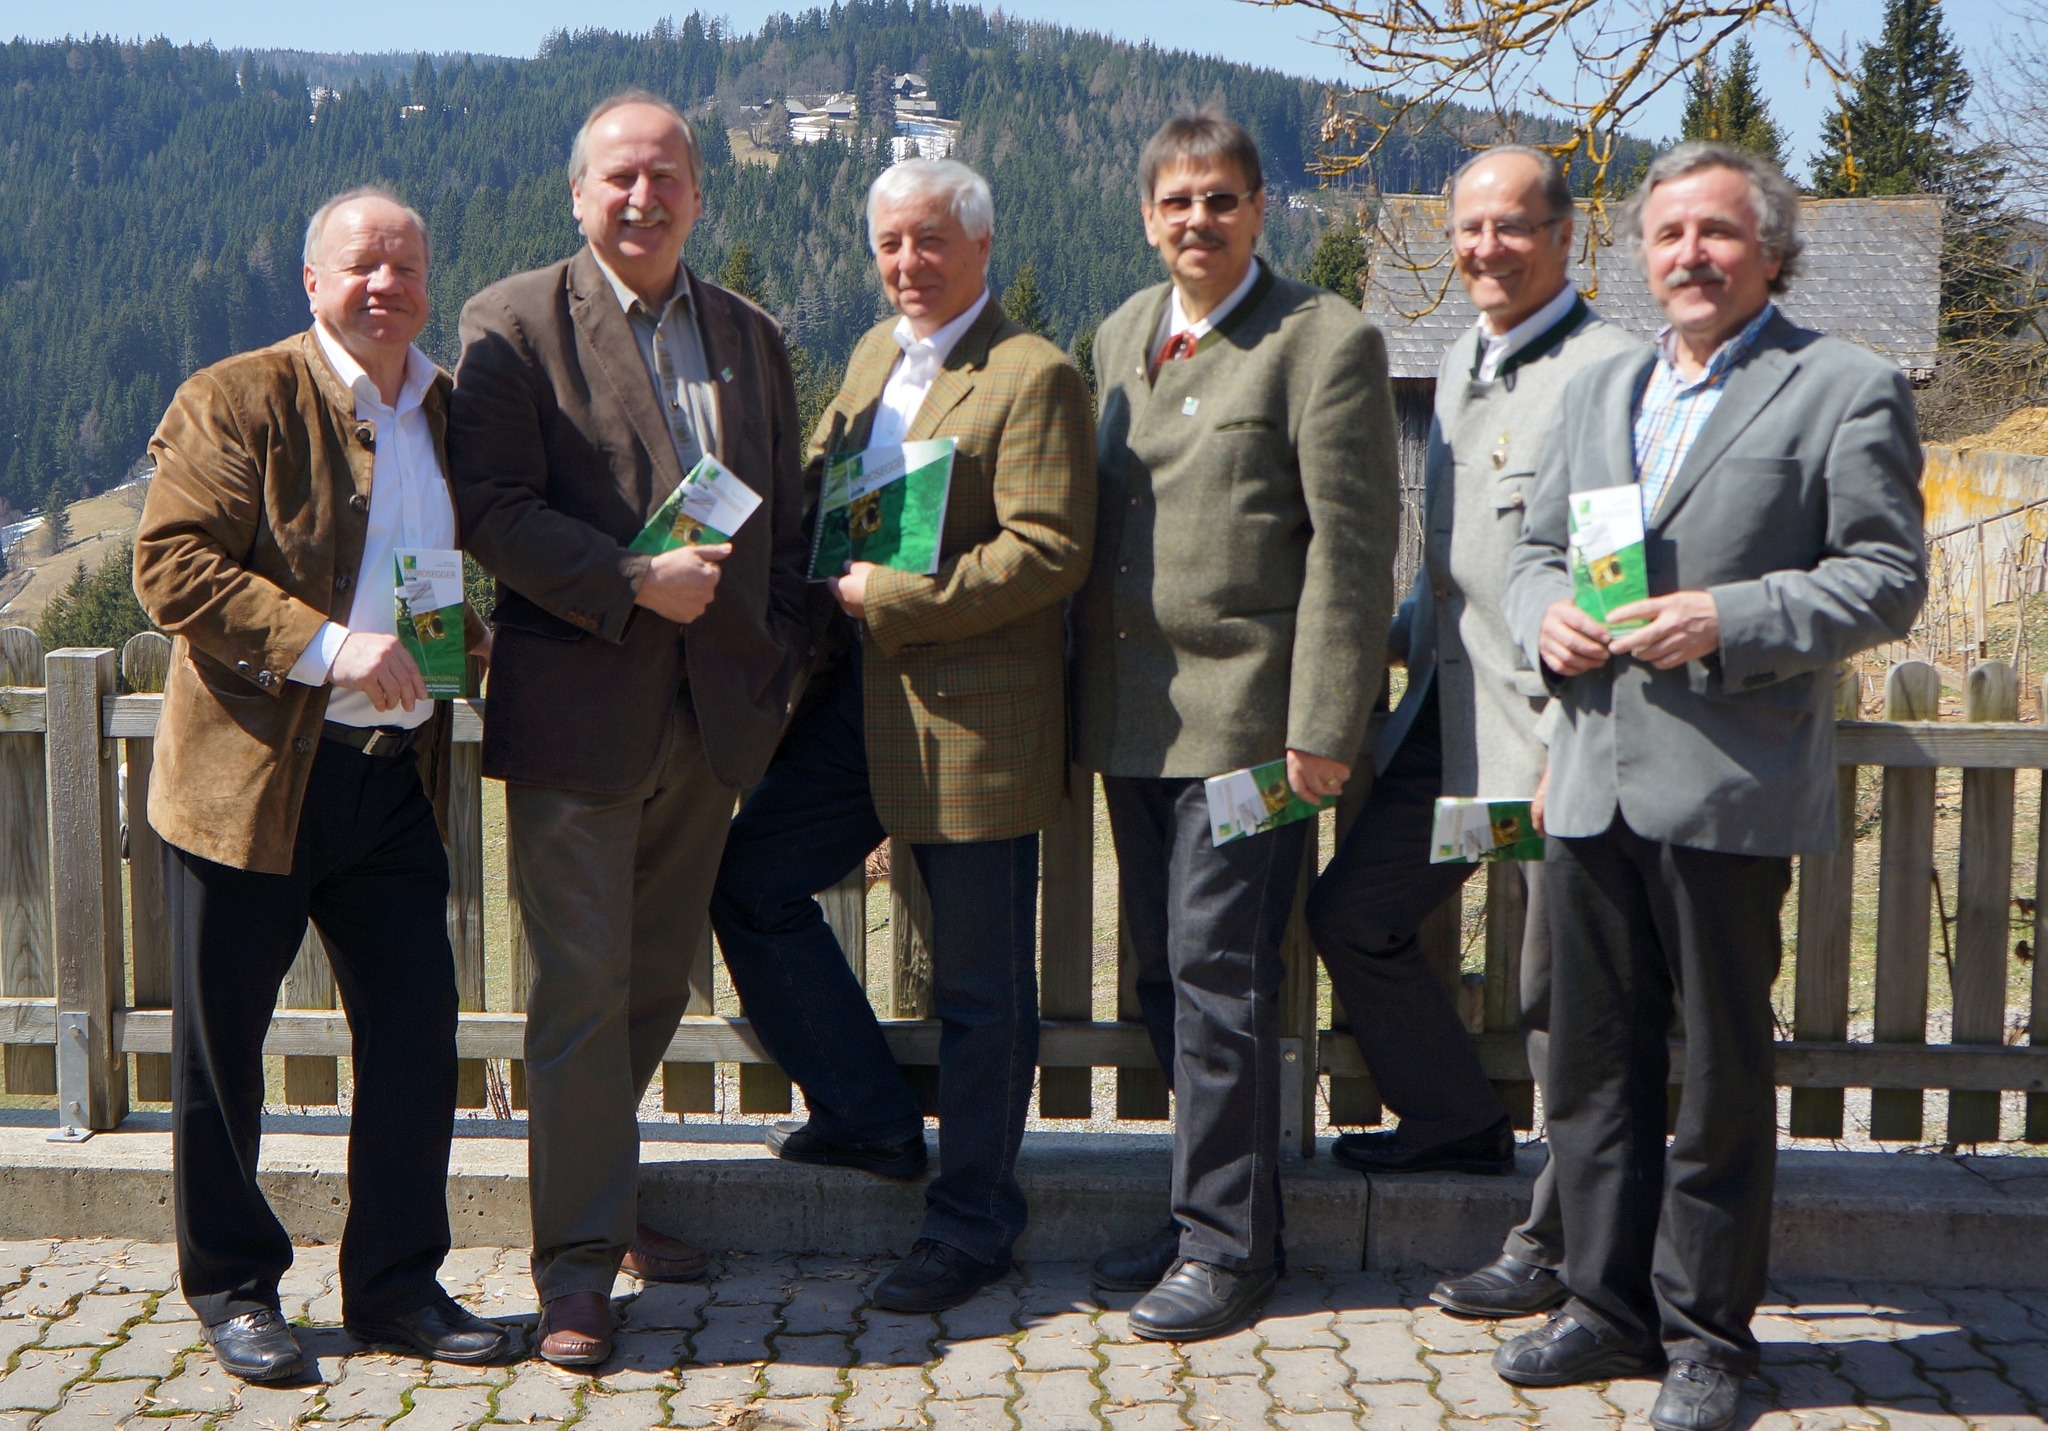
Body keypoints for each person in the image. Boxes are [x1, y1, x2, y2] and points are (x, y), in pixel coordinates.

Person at [1497, 142, 1924, 1431]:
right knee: (1587, 1067)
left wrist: (1727, 614)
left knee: (1716, 1081)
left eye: (1717, 234)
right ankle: (1602, 1307)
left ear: (1772, 255)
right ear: (1639, 257)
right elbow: (1528, 553)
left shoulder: (1839, 386)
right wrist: (1543, 621)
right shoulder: (1601, 386)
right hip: (1586, 782)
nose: (1688, 254)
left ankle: (1707, 1341)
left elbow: (1884, 576)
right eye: (1665, 234)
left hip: (1725, 789)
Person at [448, 91, 808, 1367]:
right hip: (579, 715)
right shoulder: (515, 321)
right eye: (618, 178)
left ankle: (599, 1191)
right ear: (577, 194)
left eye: (665, 177)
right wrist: (626, 579)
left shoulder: (748, 335)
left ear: (699, 194)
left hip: (709, 723)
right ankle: (576, 1270)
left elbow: (785, 514)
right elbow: (487, 509)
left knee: (654, 980)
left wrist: (772, 658)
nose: (642, 197)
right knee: (582, 992)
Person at [709, 158, 1095, 1314]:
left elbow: (1048, 549)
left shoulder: (1034, 376)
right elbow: (828, 485)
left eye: (929, 242)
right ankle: (870, 1119)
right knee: (750, 885)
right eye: (888, 244)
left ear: (979, 245)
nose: (906, 265)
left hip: (971, 719)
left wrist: (900, 598)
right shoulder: (877, 355)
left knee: (981, 990)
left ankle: (973, 1225)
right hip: (856, 705)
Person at [134, 187, 507, 1382]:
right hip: (249, 780)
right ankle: (235, 1290)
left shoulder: (445, 410)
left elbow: (421, 566)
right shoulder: (236, 397)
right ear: (313, 282)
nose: (383, 284)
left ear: (427, 284)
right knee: (221, 1053)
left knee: (411, 1037)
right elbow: (170, 566)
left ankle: (396, 1287)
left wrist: (454, 650)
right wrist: (330, 645)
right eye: (360, 266)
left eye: (404, 265)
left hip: (390, 781)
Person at [1071, 112, 1400, 1342]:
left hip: (1255, 731)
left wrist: (1322, 726)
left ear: (1260, 208)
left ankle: (1227, 1252)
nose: (1196, 221)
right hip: (1135, 725)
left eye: (1220, 200)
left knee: (1222, 977)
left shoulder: (1321, 340)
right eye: (1175, 203)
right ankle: (1205, 1211)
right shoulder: (1115, 336)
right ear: (1147, 216)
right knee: (1167, 975)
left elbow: (1354, 553)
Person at [1302, 146, 1640, 1320]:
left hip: (1554, 745)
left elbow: (1608, 576)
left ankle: (1557, 1244)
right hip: (1446, 734)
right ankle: (1452, 1125)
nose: (1483, 248)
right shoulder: (1453, 363)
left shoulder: (1611, 374)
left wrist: (1574, 748)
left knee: (1567, 1006)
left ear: (1564, 239)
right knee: (1353, 915)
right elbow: (1458, 573)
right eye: (1467, 230)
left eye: (1510, 226)